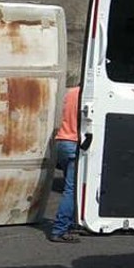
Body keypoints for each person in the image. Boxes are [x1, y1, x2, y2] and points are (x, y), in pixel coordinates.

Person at [49, 84, 81, 243]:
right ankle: (60, 229)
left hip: (63, 140)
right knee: (72, 189)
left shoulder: (71, 92)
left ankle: (70, 223)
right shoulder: (91, 94)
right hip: (76, 143)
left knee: (72, 186)